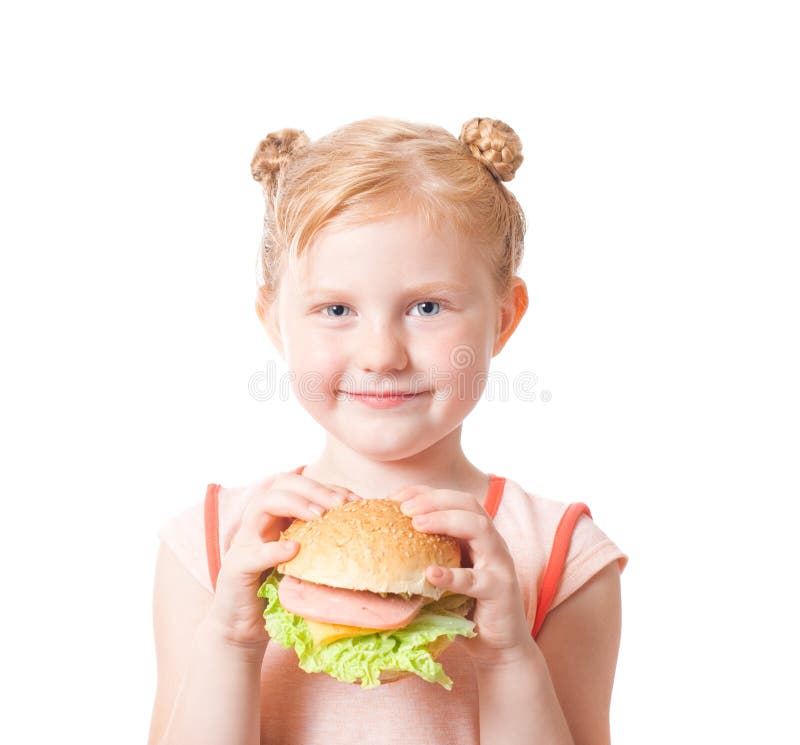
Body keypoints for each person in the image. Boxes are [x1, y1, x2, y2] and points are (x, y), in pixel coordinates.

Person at [148, 116, 628, 745]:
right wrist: (231, 640)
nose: (382, 354)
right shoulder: (214, 544)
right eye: (336, 309)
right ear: (274, 321)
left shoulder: (561, 556)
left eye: (427, 307)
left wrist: (509, 657)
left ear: (504, 318)